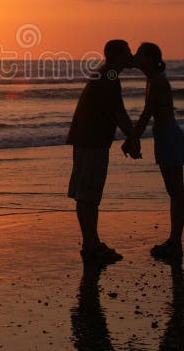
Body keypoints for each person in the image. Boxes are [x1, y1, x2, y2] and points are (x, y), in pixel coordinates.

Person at [67, 39, 141, 264]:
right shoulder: (109, 77)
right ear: (117, 55)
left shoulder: (104, 74)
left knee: (85, 193)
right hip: (93, 141)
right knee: (89, 194)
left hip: (86, 138)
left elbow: (115, 111)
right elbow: (119, 112)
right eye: (128, 52)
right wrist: (133, 137)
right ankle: (92, 245)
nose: (131, 56)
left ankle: (91, 243)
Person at [133, 42, 184, 260]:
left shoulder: (157, 82)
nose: (135, 58)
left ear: (149, 58)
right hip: (165, 137)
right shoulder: (153, 79)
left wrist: (133, 138)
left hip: (169, 138)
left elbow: (147, 113)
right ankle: (174, 241)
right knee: (173, 191)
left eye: (139, 55)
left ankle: (176, 242)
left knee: (176, 192)